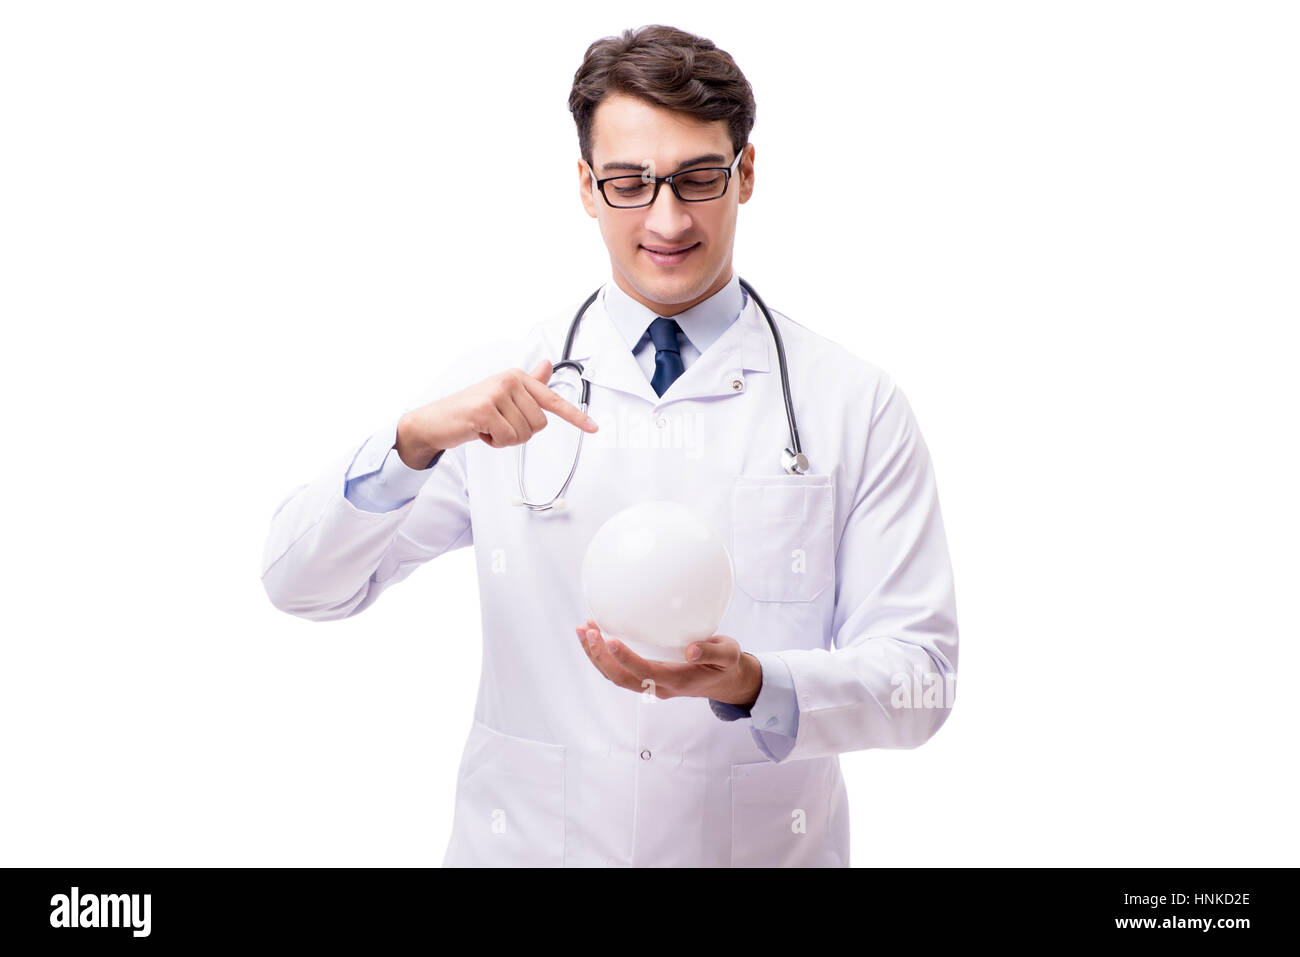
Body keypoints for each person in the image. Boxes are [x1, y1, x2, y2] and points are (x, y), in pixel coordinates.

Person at [261, 23, 959, 867]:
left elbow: (921, 680)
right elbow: (299, 584)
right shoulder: (495, 389)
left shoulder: (853, 403)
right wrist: (410, 445)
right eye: (631, 182)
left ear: (745, 175)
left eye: (698, 177)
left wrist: (756, 684)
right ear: (587, 188)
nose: (667, 218)